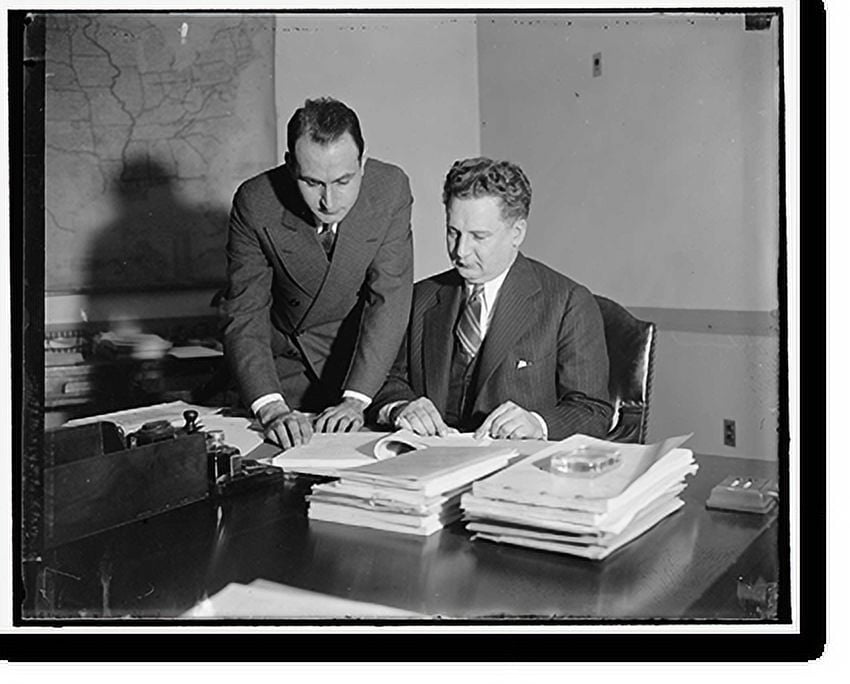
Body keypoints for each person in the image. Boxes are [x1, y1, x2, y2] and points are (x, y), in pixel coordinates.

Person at [369, 157, 612, 441]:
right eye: (453, 232)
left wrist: (538, 424)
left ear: (517, 233)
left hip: (516, 472)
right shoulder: (420, 297)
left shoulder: (568, 303)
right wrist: (401, 407)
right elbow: (384, 378)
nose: (461, 251)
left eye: (479, 237)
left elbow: (593, 411)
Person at [222, 97, 413, 449]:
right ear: (290, 165)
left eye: (343, 180)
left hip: (358, 365)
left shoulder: (390, 190)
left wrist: (356, 398)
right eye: (312, 183)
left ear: (363, 162)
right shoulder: (256, 201)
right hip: (281, 372)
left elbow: (389, 299)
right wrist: (270, 408)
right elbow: (246, 313)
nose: (329, 201)